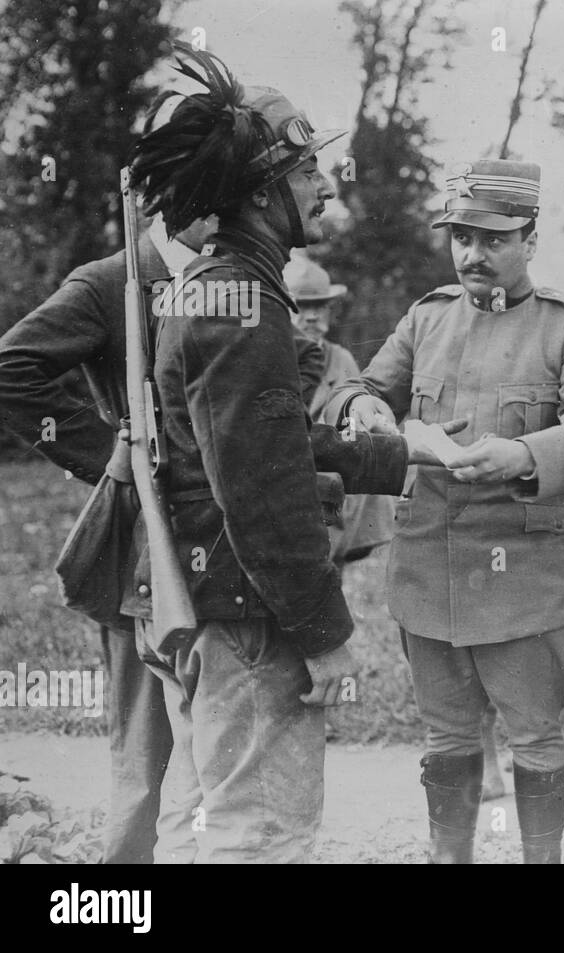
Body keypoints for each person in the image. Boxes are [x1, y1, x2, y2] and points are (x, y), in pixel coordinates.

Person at [123, 47, 450, 862]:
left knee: (212, 822)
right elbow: (262, 490)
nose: (325, 188)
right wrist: (323, 631)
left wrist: (404, 454)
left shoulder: (219, 286)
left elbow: (272, 445)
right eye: (308, 173)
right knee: (260, 835)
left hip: (217, 602)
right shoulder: (247, 303)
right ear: (264, 191)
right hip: (251, 618)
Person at [326, 158, 564, 864]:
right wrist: (384, 420)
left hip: (524, 575)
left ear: (529, 238)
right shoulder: (426, 318)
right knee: (447, 739)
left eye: (492, 239)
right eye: (461, 237)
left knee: (535, 737)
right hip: (430, 571)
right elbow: (360, 392)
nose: (472, 254)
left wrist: (522, 456)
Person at [0, 129, 218, 862]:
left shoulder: (237, 279)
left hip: (224, 539)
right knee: (145, 746)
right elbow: (13, 369)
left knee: (221, 746)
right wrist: (112, 457)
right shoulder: (109, 282)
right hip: (146, 540)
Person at [285, 254, 396, 566]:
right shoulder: (270, 359)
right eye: (301, 307)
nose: (311, 317)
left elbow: (353, 433)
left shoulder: (340, 360)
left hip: (329, 498)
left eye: (319, 306)